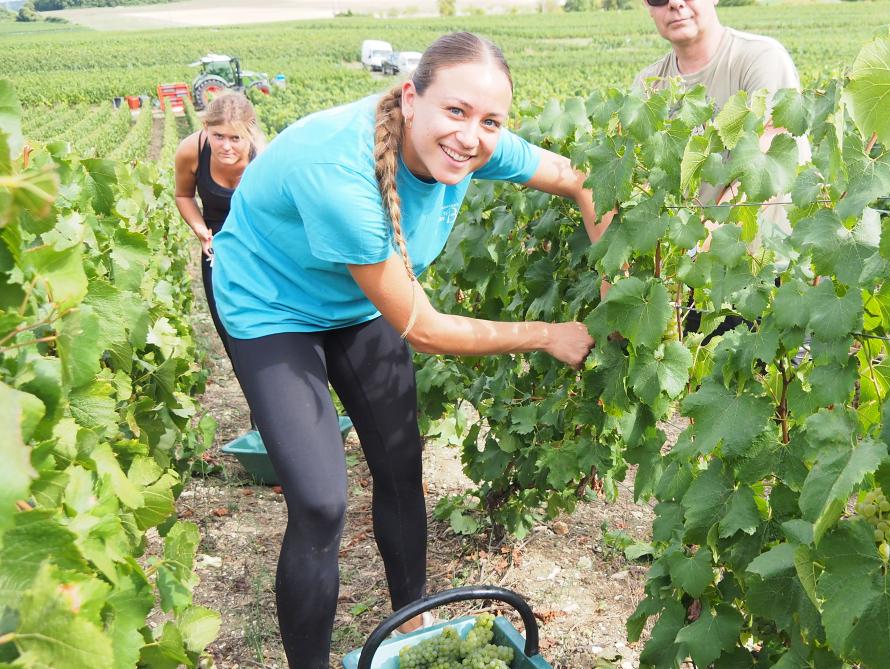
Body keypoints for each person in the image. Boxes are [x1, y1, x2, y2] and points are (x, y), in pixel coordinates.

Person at [211, 32, 606, 669]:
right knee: (319, 501)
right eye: (455, 111)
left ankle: (412, 631)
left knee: (401, 467)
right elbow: (422, 327)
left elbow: (581, 180)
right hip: (270, 304)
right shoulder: (339, 173)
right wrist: (545, 334)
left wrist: (613, 283)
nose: (472, 136)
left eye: (489, 121)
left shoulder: (474, 145)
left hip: (356, 303)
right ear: (410, 97)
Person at [636, 0, 810, 337]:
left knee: (771, 384)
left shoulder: (759, 58)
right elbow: (642, 179)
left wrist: (703, 235)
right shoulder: (648, 85)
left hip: (763, 273)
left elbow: (765, 157)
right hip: (689, 280)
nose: (674, 3)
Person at [173, 92, 264, 366]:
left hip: (260, 242)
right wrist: (200, 229)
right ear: (206, 129)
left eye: (235, 138)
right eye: (218, 136)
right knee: (228, 325)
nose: (225, 146)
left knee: (266, 323)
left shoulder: (264, 157)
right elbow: (183, 195)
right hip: (218, 246)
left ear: (250, 133)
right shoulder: (190, 151)